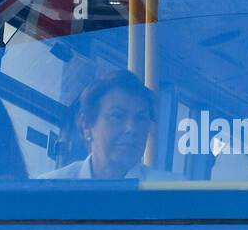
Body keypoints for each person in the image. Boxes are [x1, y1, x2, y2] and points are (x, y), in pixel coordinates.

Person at [39, 70, 175, 180]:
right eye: (117, 116)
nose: (131, 128)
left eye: (140, 118)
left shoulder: (171, 193)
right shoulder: (51, 190)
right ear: (87, 126)